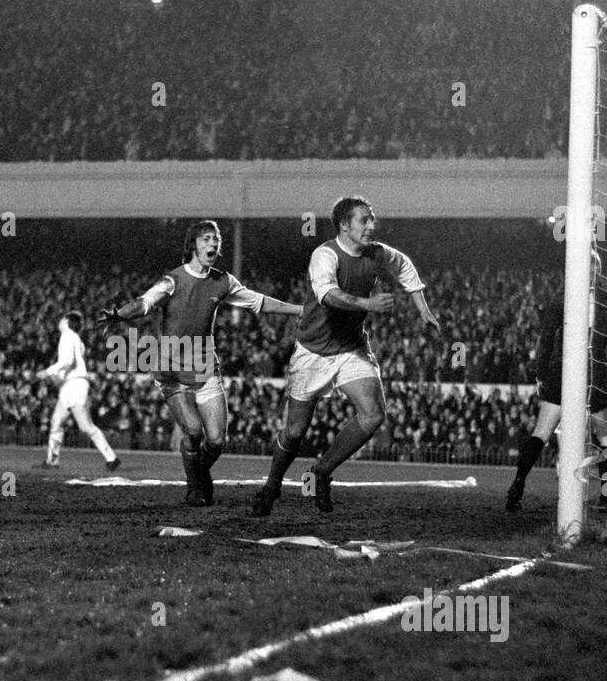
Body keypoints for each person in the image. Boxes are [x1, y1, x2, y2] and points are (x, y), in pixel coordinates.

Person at [250, 196, 440, 517]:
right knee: (295, 431)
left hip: (351, 349)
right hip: (313, 352)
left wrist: (424, 310)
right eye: (364, 220)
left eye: (372, 219)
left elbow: (404, 266)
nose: (371, 225)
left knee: (373, 415)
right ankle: (272, 485)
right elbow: (327, 295)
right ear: (344, 226)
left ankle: (322, 471)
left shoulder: (377, 253)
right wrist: (367, 305)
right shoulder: (324, 255)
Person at [98, 219, 301, 505]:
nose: (213, 244)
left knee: (217, 440)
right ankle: (196, 488)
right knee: (192, 431)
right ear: (193, 244)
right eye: (207, 238)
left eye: (216, 239)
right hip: (170, 369)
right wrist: (119, 315)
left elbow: (260, 302)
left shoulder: (223, 281)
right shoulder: (173, 280)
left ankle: (197, 474)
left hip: (204, 367)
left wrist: (299, 310)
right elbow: (146, 302)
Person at [506, 252, 607, 512]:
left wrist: (540, 373)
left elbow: (546, 338)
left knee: (542, 432)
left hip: (566, 372)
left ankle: (517, 487)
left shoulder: (562, 299)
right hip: (595, 374)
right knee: (605, 436)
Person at [37, 311, 121, 471]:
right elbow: (73, 362)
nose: (60, 321)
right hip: (72, 385)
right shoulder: (77, 340)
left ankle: (112, 457)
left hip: (74, 385)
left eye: (62, 318)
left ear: (67, 322)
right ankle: (52, 460)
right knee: (57, 421)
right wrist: (58, 376)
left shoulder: (67, 335)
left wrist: (48, 372)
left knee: (85, 426)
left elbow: (67, 361)